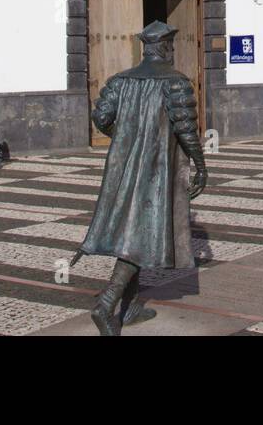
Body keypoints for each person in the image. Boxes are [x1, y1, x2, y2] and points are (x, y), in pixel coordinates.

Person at [73, 20, 207, 335]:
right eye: (171, 45)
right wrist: (200, 164)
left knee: (132, 227)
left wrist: (125, 138)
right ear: (163, 46)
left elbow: (101, 117)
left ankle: (130, 307)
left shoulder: (119, 81)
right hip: (157, 169)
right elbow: (185, 128)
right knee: (142, 233)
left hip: (123, 167)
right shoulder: (176, 82)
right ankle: (106, 304)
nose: (173, 50)